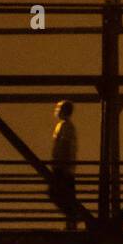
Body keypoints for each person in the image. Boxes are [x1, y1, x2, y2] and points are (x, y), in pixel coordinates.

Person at [50, 99, 78, 231]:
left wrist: (61, 164)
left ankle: (73, 219)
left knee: (56, 193)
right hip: (66, 167)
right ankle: (72, 221)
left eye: (58, 108)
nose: (56, 111)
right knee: (66, 196)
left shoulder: (65, 126)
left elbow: (64, 146)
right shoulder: (67, 126)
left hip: (63, 167)